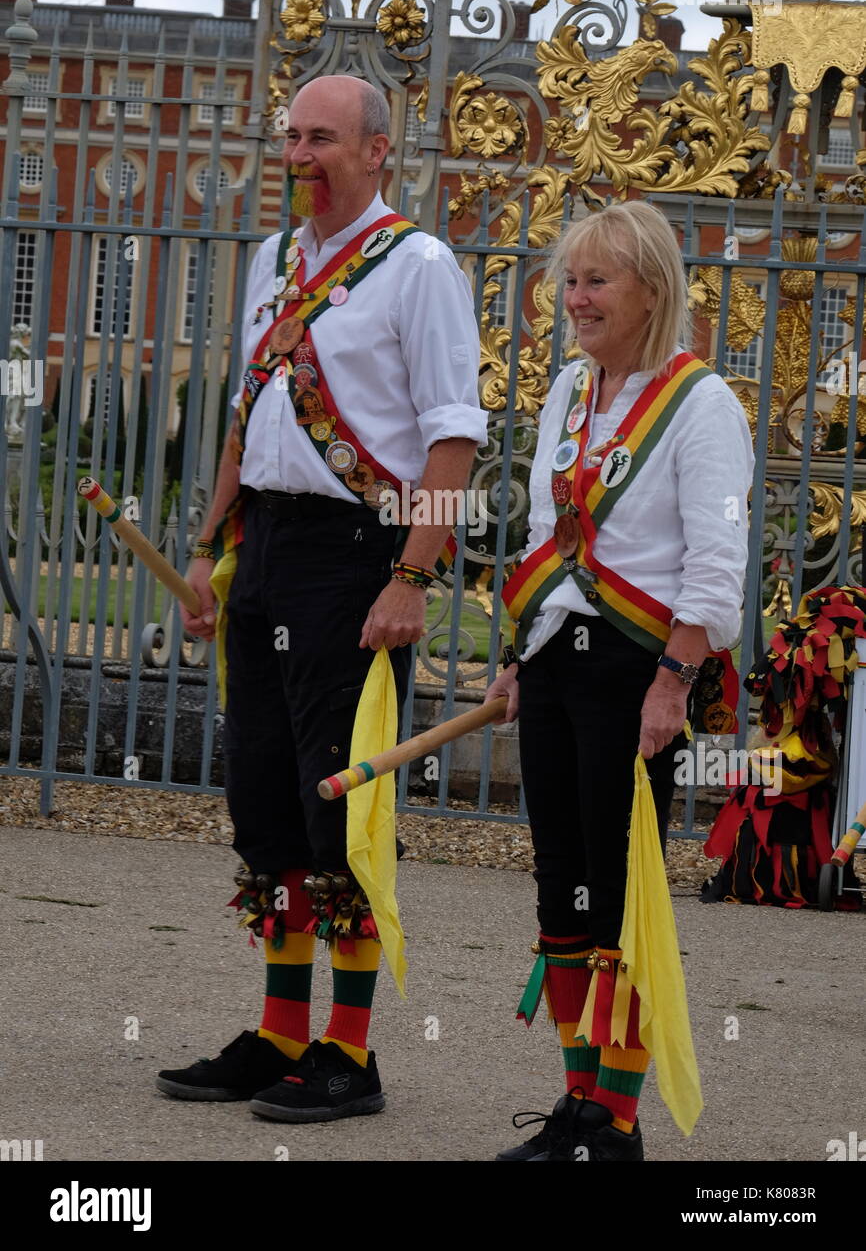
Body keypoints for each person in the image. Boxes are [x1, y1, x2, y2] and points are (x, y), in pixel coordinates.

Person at [156, 74, 487, 1123]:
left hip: (356, 554)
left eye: (323, 138)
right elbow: (246, 412)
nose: (300, 154)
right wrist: (210, 552)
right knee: (262, 796)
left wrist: (411, 573)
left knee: (337, 802)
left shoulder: (420, 265)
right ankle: (279, 1032)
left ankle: (349, 1053)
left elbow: (451, 435)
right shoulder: (272, 259)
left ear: (380, 151)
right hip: (267, 547)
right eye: (291, 136)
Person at [484, 200, 753, 1161]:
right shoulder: (569, 393)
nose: (577, 297)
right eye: (572, 279)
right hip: (559, 662)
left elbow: (718, 566)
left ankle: (616, 1120)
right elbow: (540, 538)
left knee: (619, 890)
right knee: (564, 889)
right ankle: (576, 1101)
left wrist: (674, 681)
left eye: (598, 280)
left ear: (652, 290)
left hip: (637, 674)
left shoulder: (704, 405)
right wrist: (521, 652)